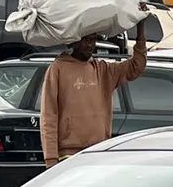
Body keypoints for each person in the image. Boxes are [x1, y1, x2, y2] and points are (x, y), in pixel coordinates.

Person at [39, 16, 148, 168]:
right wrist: (51, 158)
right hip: (68, 156)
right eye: (86, 40)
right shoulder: (58, 69)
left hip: (98, 151)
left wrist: (140, 28)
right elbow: (48, 116)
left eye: (93, 40)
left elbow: (136, 66)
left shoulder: (103, 70)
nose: (90, 45)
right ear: (75, 41)